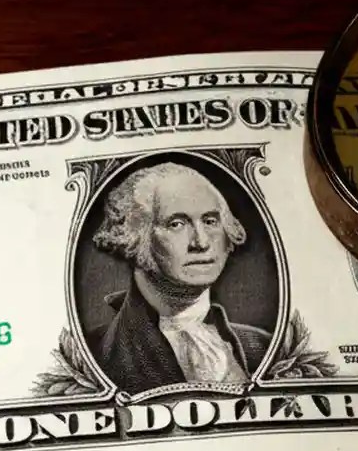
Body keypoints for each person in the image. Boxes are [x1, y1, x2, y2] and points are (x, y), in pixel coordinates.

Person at [86, 160, 271, 394]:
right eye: (177, 224)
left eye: (210, 221)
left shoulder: (262, 346)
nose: (201, 243)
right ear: (134, 236)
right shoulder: (92, 355)